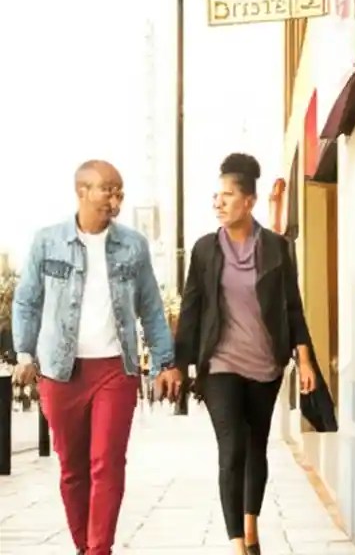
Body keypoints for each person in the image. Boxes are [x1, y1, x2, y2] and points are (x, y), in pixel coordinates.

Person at [11, 159, 182, 555]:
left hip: (115, 370)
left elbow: (151, 308)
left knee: (107, 463)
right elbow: (27, 301)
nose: (116, 200)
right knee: (72, 469)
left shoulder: (133, 246)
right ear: (82, 191)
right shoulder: (47, 241)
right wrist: (24, 352)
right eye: (108, 190)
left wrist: (164, 362)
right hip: (60, 372)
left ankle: (99, 550)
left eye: (120, 192)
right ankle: (84, 547)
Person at [176, 153, 317, 555]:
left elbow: (292, 306)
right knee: (232, 446)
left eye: (227, 195)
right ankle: (237, 545)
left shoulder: (275, 247)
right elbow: (190, 309)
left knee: (256, 446)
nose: (218, 203)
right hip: (220, 363)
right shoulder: (205, 250)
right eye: (216, 196)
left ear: (249, 201)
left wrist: (304, 359)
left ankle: (251, 529)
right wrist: (178, 364)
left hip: (266, 365)